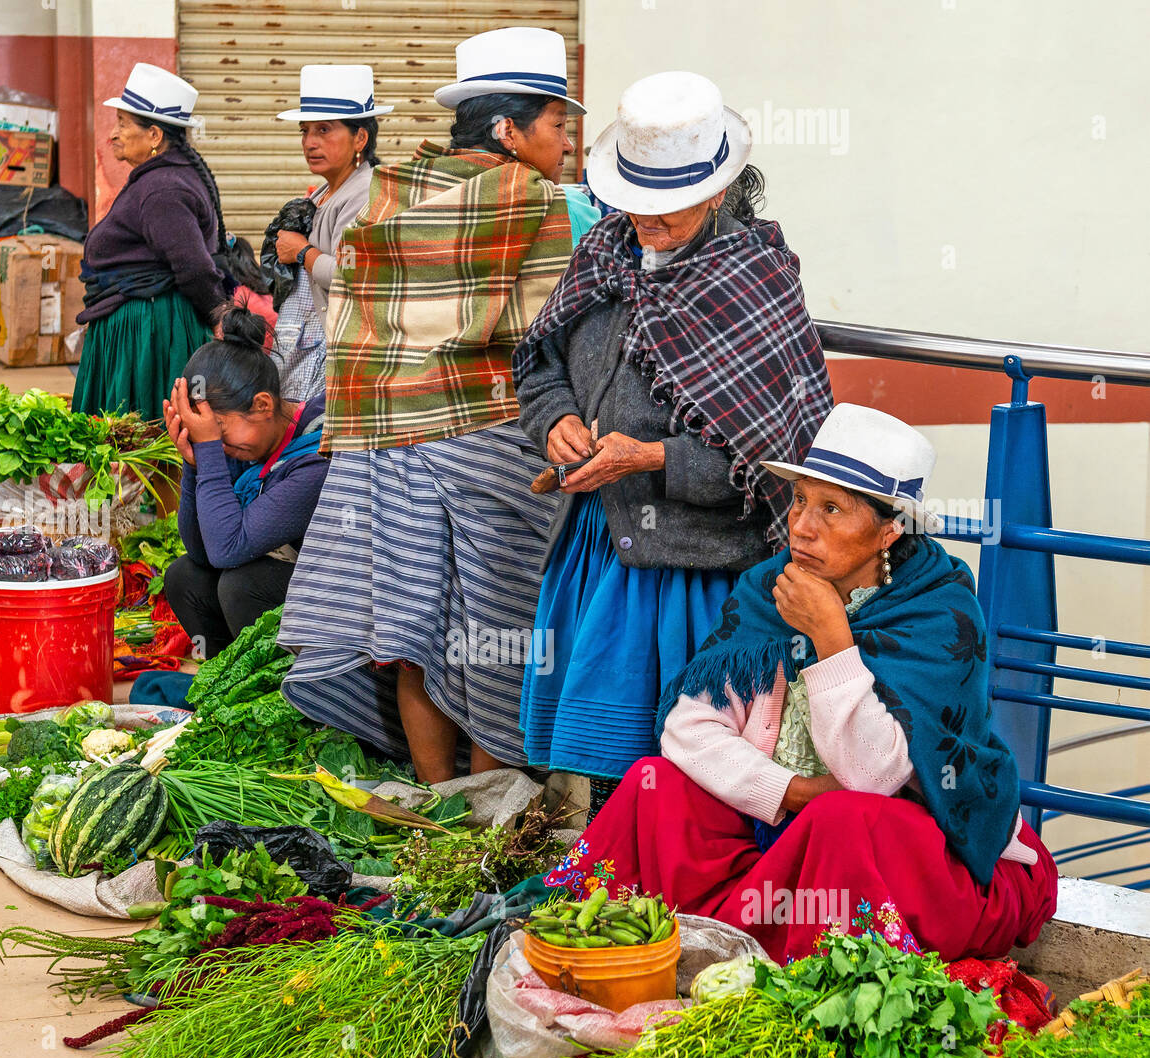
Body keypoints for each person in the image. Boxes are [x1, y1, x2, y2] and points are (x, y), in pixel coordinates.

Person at [547, 405, 1059, 965]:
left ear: (889, 529)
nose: (801, 526)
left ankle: (801, 976)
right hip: (782, 829)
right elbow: (686, 728)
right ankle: (642, 942)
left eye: (832, 509)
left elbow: (876, 776)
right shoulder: (770, 590)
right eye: (799, 501)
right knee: (655, 781)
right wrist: (788, 792)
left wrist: (832, 641)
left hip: (914, 856)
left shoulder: (939, 615)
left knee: (839, 819)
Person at [279, 27, 599, 785]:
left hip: (383, 450)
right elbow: (575, 327)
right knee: (496, 632)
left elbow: (363, 314)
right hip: (491, 449)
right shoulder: (550, 206)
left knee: (413, 632)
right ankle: (490, 804)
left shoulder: (393, 191)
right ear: (509, 130)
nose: (565, 144)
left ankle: (439, 799)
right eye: (558, 125)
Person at [514, 71, 834, 816]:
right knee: (606, 770)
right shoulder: (606, 250)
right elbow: (542, 361)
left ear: (717, 193)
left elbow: (777, 462)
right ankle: (615, 891)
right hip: (600, 551)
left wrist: (652, 457)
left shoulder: (754, 284)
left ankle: (681, 909)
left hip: (693, 567)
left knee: (692, 763)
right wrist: (554, 418)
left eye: (665, 212)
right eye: (635, 207)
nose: (645, 226)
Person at [161, 307, 327, 658]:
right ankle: (226, 682)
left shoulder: (315, 455)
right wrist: (194, 464)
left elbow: (228, 548)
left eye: (218, 430)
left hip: (339, 602)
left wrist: (208, 452)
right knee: (184, 576)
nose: (216, 445)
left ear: (263, 405)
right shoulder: (245, 447)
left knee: (241, 585)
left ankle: (291, 694)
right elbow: (203, 553)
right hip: (287, 577)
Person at [73, 63, 229, 419]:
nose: (113, 134)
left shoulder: (163, 190)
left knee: (140, 429)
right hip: (145, 323)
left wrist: (218, 314)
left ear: (155, 135)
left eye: (123, 124)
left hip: (151, 332)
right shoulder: (160, 179)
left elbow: (193, 265)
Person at [267, 65, 393, 400]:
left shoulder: (365, 193)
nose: (310, 142)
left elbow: (353, 275)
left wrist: (302, 252)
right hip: (305, 349)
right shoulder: (324, 194)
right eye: (305, 131)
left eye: (324, 130)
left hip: (337, 355)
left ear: (360, 138)